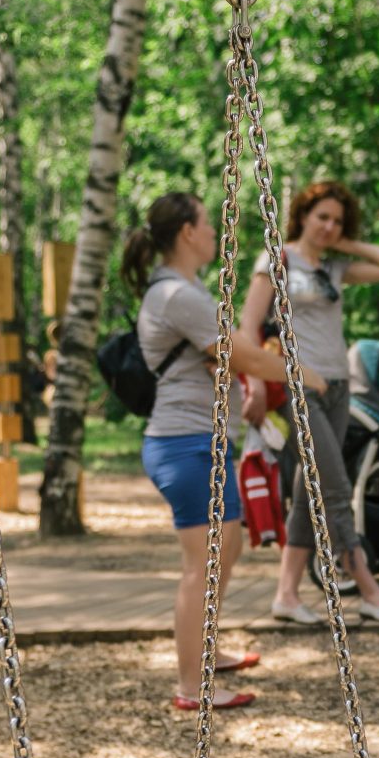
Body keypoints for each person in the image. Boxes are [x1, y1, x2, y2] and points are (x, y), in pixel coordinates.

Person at [128, 189, 293, 709]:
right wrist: (303, 373)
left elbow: (222, 354)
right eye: (208, 223)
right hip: (184, 444)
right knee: (204, 564)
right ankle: (189, 687)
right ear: (187, 233)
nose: (218, 233)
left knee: (228, 547)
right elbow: (244, 354)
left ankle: (205, 651)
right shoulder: (178, 295)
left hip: (199, 440)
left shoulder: (182, 290)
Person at [238, 181, 379, 626]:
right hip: (297, 388)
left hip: (337, 389)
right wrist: (256, 383)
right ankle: (368, 589)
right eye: (322, 217)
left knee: (307, 490)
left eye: (337, 220)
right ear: (302, 215)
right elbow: (247, 327)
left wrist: (347, 242)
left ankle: (286, 595)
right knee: (334, 486)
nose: (329, 226)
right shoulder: (276, 260)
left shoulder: (335, 268)